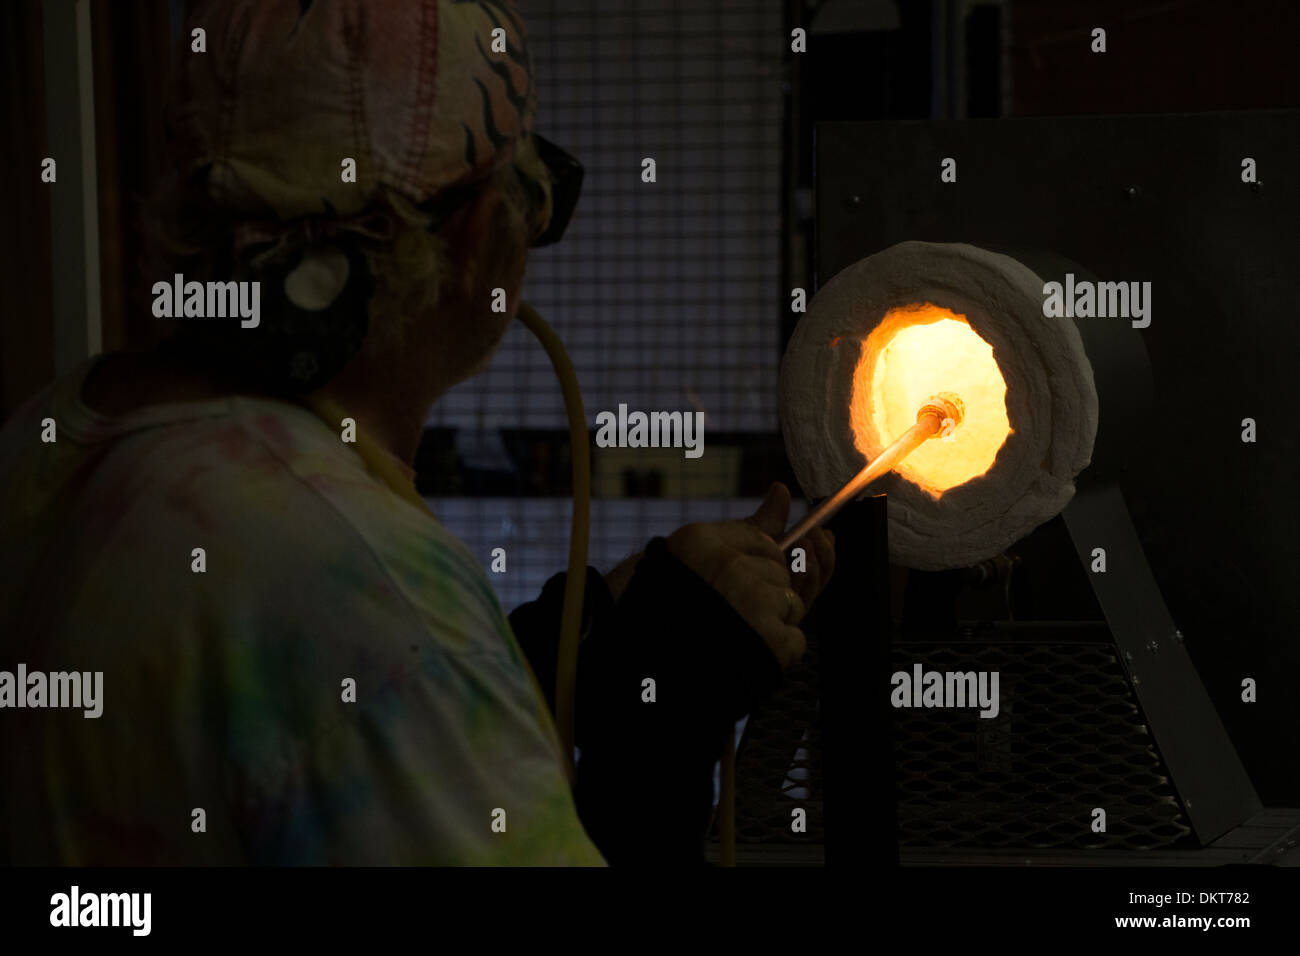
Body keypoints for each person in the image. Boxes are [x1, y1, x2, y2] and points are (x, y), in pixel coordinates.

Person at [0, 0, 834, 865]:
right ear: (477, 236)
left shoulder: (56, 435)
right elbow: (355, 659)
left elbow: (285, 737)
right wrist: (668, 724)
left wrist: (558, 654)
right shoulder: (358, 577)